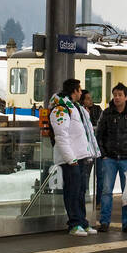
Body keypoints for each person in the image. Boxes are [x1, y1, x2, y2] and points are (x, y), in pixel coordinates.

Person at [49, 79, 99, 236]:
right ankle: (74, 224)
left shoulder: (76, 107)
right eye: (79, 90)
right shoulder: (61, 109)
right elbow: (61, 136)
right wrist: (70, 159)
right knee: (72, 191)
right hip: (71, 159)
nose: (81, 93)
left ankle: (82, 222)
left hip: (81, 156)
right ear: (75, 91)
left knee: (80, 191)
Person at [95, 83, 127, 234]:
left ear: (126, 97)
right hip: (109, 159)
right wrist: (103, 154)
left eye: (119, 95)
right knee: (106, 191)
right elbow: (99, 135)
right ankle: (104, 222)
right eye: (114, 94)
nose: (116, 97)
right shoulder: (107, 114)